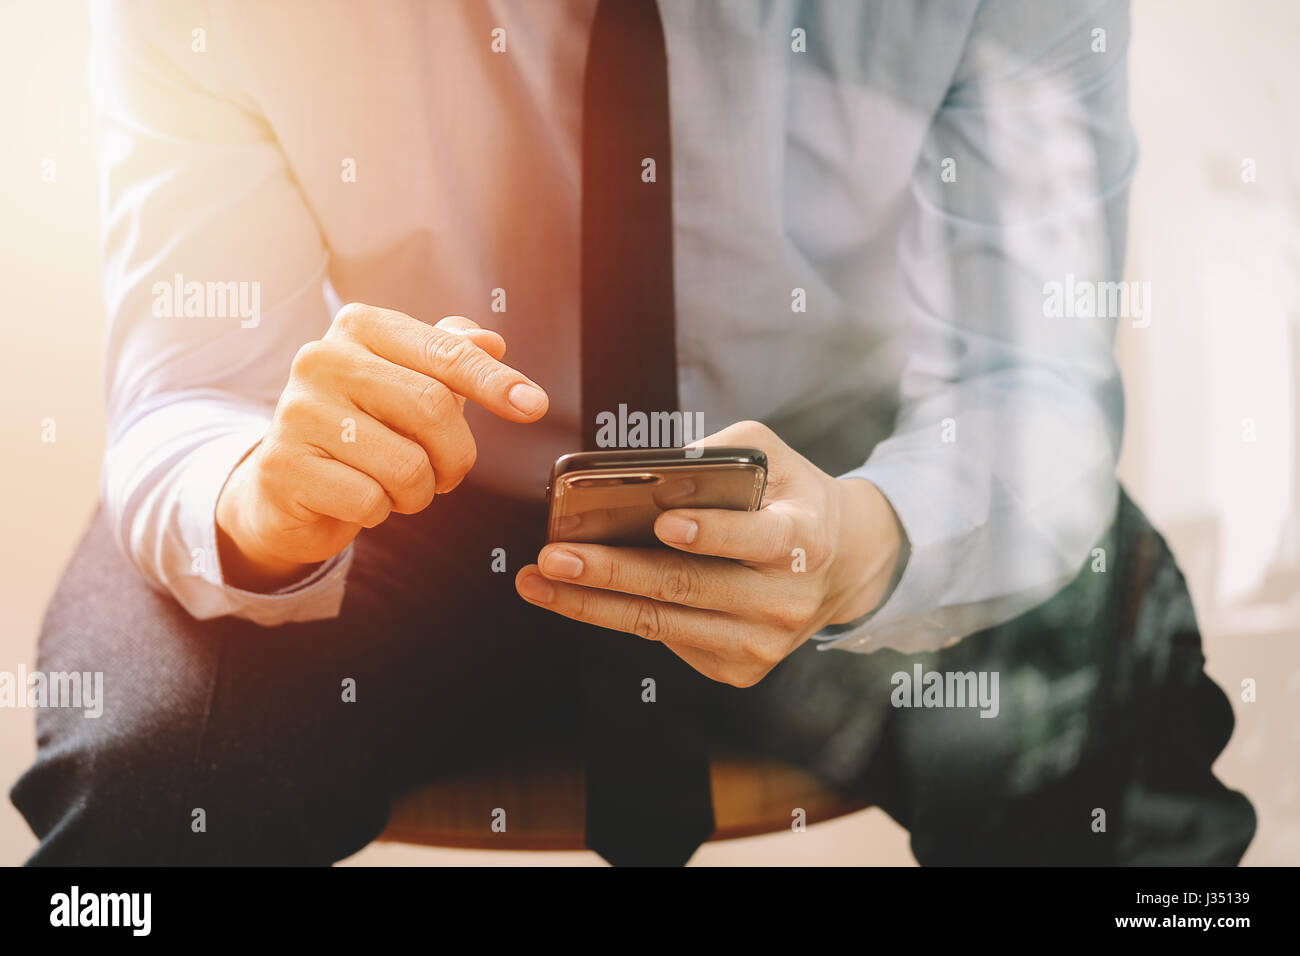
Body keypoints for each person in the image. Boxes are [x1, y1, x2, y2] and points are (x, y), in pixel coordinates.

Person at [12, 0, 1254, 865]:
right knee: (148, 789)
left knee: (1123, 783)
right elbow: (191, 392)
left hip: (846, 472)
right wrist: (260, 505)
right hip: (405, 492)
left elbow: (1027, 388)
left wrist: (872, 542)